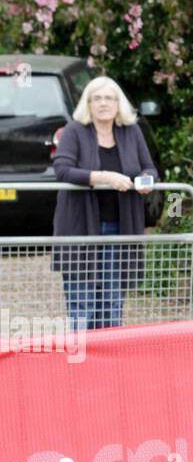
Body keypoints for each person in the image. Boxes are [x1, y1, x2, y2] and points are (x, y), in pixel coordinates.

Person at [52, 76, 160, 330]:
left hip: (119, 229)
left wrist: (145, 181)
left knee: (112, 301)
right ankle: (82, 361)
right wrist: (104, 178)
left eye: (108, 98)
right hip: (80, 229)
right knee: (83, 301)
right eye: (96, 98)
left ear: (118, 103)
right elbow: (62, 170)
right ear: (88, 104)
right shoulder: (74, 131)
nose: (103, 103)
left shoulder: (131, 131)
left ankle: (109, 362)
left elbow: (149, 169)